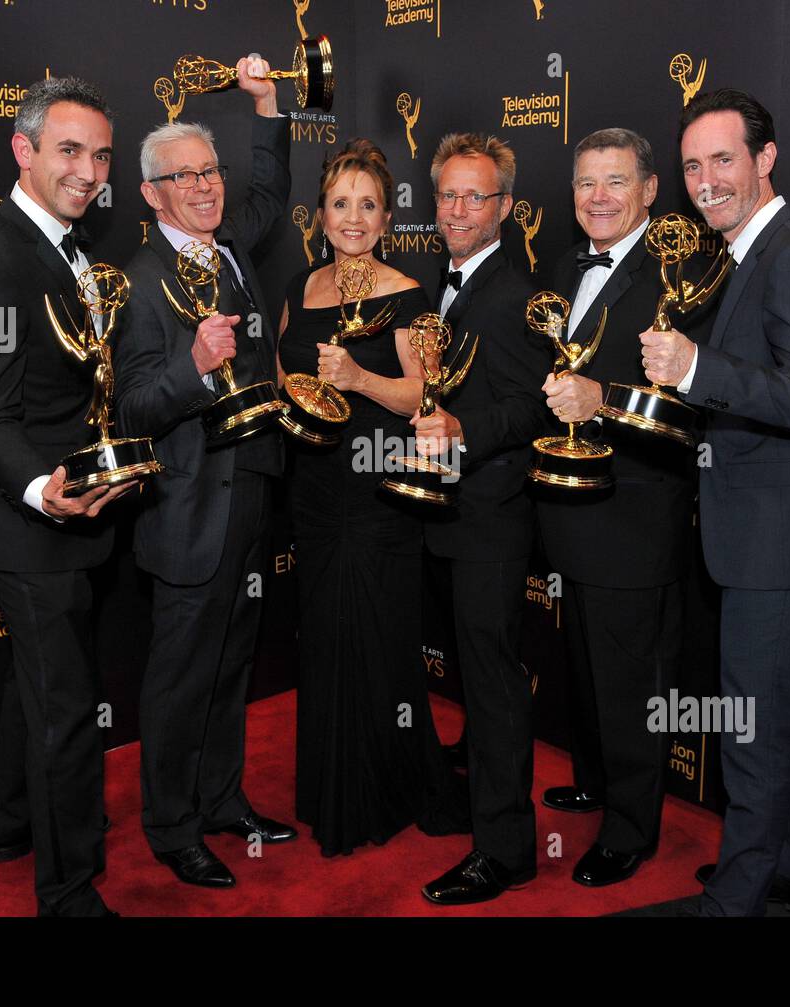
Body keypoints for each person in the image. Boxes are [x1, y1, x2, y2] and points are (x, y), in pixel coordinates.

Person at [642, 88, 790, 916]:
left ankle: (734, 900)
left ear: (766, 159)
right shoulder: (741, 257)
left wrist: (698, 370)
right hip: (779, 539)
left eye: (724, 159)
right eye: (693, 165)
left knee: (755, 733)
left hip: (787, 544)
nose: (705, 181)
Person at [0, 76, 132, 917]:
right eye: (69, 150)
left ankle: (13, 826)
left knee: (36, 683)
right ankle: (70, 889)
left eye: (100, 155)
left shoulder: (65, 245)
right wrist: (39, 489)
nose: (88, 171)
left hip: (64, 510)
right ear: (23, 151)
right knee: (63, 704)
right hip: (27, 520)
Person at [113, 55, 297, 890]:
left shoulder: (232, 250)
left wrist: (267, 106)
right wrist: (190, 367)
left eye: (210, 170)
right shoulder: (138, 284)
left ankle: (222, 799)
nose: (203, 186)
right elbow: (135, 409)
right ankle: (170, 825)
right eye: (182, 176)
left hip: (252, 492)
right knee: (181, 679)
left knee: (232, 664)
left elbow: (269, 183)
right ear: (151, 194)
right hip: (187, 513)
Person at [278, 138, 469, 857]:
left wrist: (358, 380)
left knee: (381, 644)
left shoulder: (409, 296)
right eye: (339, 203)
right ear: (319, 214)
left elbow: (425, 393)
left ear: (387, 217)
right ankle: (333, 788)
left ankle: (387, 788)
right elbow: (285, 376)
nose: (352, 218)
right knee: (326, 642)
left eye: (367, 205)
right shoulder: (300, 289)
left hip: (378, 492)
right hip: (316, 495)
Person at [535, 128, 705, 888]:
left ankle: (631, 827)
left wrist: (600, 403)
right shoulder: (564, 266)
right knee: (586, 663)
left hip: (637, 509)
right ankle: (598, 781)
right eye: (584, 183)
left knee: (633, 680)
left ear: (648, 192)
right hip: (572, 501)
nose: (597, 197)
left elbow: (687, 405)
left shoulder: (681, 273)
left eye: (614, 182)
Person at [410, 133, 547, 905]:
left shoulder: (517, 295)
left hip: (492, 518)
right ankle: (477, 810)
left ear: (504, 208)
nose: (460, 209)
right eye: (449, 196)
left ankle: (506, 850)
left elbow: (531, 405)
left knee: (492, 685)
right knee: (474, 678)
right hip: (448, 515)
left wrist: (467, 432)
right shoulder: (444, 284)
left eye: (477, 197)